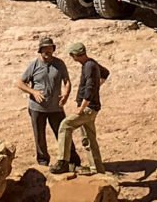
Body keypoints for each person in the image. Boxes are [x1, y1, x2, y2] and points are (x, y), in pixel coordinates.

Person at [15, 36, 79, 168]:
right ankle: (43, 162)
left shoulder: (59, 64)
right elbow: (20, 83)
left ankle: (72, 160)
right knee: (39, 136)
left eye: (50, 49)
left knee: (63, 133)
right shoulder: (34, 65)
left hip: (56, 107)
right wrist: (33, 92)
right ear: (40, 50)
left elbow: (67, 81)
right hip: (37, 108)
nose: (47, 51)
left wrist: (66, 94)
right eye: (45, 49)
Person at [51, 41, 107, 175]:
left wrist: (82, 108)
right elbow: (105, 73)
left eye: (72, 56)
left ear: (75, 55)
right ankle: (97, 169)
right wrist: (97, 87)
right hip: (92, 107)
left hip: (88, 108)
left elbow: (90, 88)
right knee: (89, 138)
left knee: (65, 125)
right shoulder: (91, 63)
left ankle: (62, 161)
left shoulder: (89, 67)